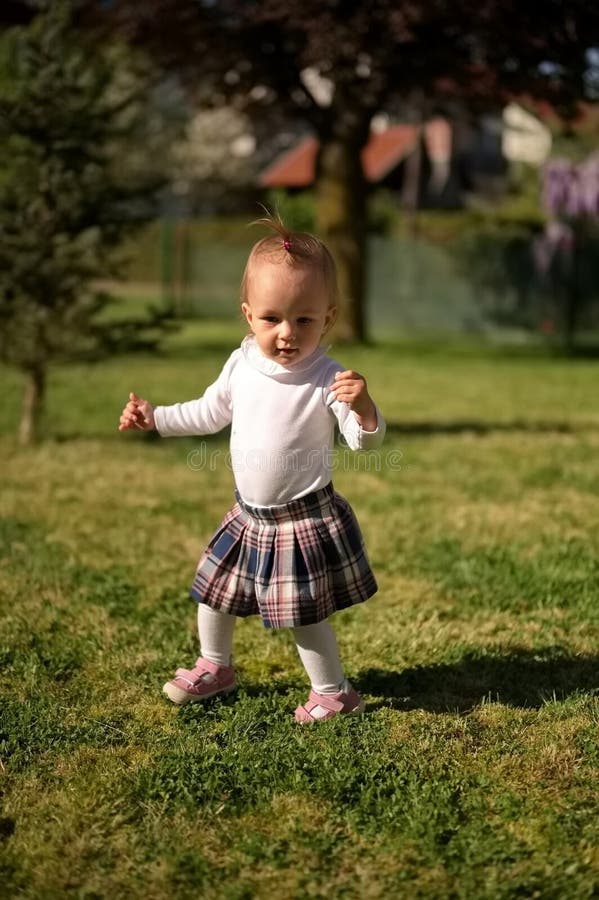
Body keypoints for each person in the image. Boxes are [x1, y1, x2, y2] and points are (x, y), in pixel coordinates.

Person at [118, 215, 386, 723]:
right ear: (248, 315)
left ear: (328, 318)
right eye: (271, 318)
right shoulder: (241, 364)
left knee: (304, 615)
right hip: (248, 517)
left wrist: (366, 409)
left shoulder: (328, 378)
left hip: (301, 520)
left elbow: (362, 441)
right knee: (213, 592)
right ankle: (215, 666)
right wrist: (156, 418)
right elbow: (208, 412)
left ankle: (334, 694)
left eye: (304, 320)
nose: (287, 333)